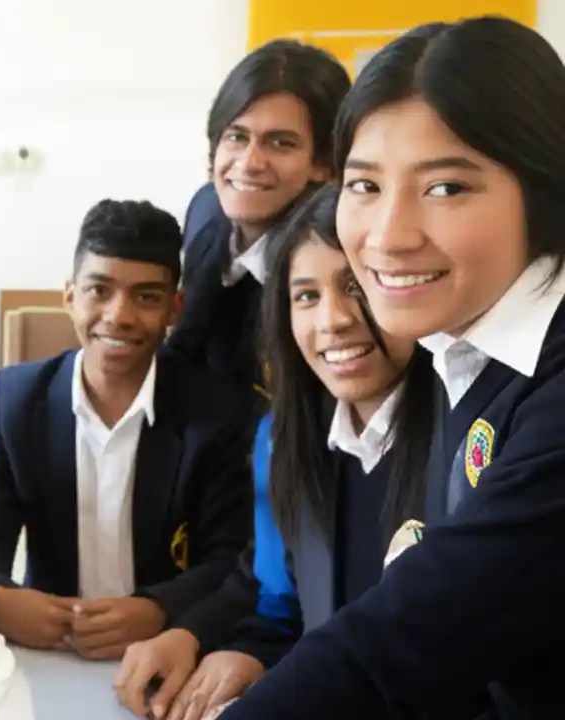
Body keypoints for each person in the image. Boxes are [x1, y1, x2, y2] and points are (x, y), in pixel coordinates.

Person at [222, 17, 565, 718]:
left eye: (445, 189)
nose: (387, 236)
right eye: (365, 185)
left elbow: (415, 634)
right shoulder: (466, 355)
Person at [114, 186, 445, 719]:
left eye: (357, 286)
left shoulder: (466, 445)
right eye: (306, 296)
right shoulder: (281, 439)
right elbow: (280, 603)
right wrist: (211, 642)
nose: (332, 320)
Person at [0, 199, 254, 659]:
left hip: (169, 654)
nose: (118, 315)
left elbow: (235, 558)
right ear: (69, 296)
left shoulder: (218, 412)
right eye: (99, 290)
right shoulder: (19, 399)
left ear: (175, 308)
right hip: (51, 655)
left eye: (146, 297)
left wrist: (160, 608)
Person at [167, 40, 350, 394]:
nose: (249, 163)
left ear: (323, 163)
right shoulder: (206, 211)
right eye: (237, 137)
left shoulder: (333, 261)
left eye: (280, 143)